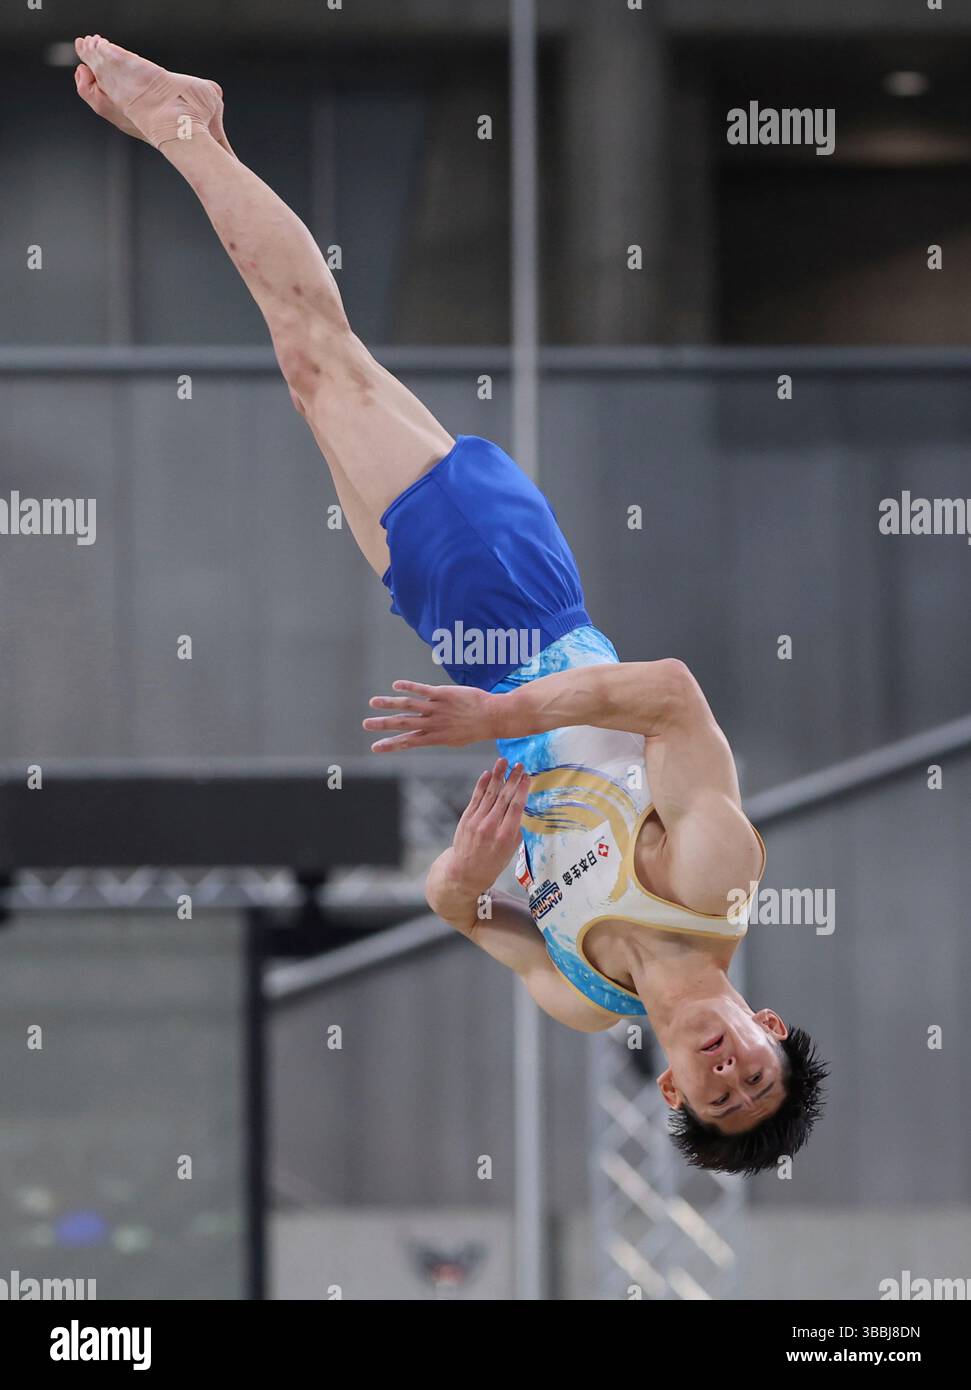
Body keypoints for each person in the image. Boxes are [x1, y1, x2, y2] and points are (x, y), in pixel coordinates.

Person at [73, 35, 826, 1174]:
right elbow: (670, 697)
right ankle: (184, 129)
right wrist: (497, 719)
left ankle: (202, 134)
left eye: (716, 1098)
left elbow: (458, 912)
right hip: (518, 601)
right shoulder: (714, 880)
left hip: (454, 626)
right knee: (315, 359)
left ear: (670, 1087)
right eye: (753, 1072)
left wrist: (466, 881)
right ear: (764, 1028)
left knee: (319, 362)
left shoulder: (580, 996)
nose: (727, 1072)